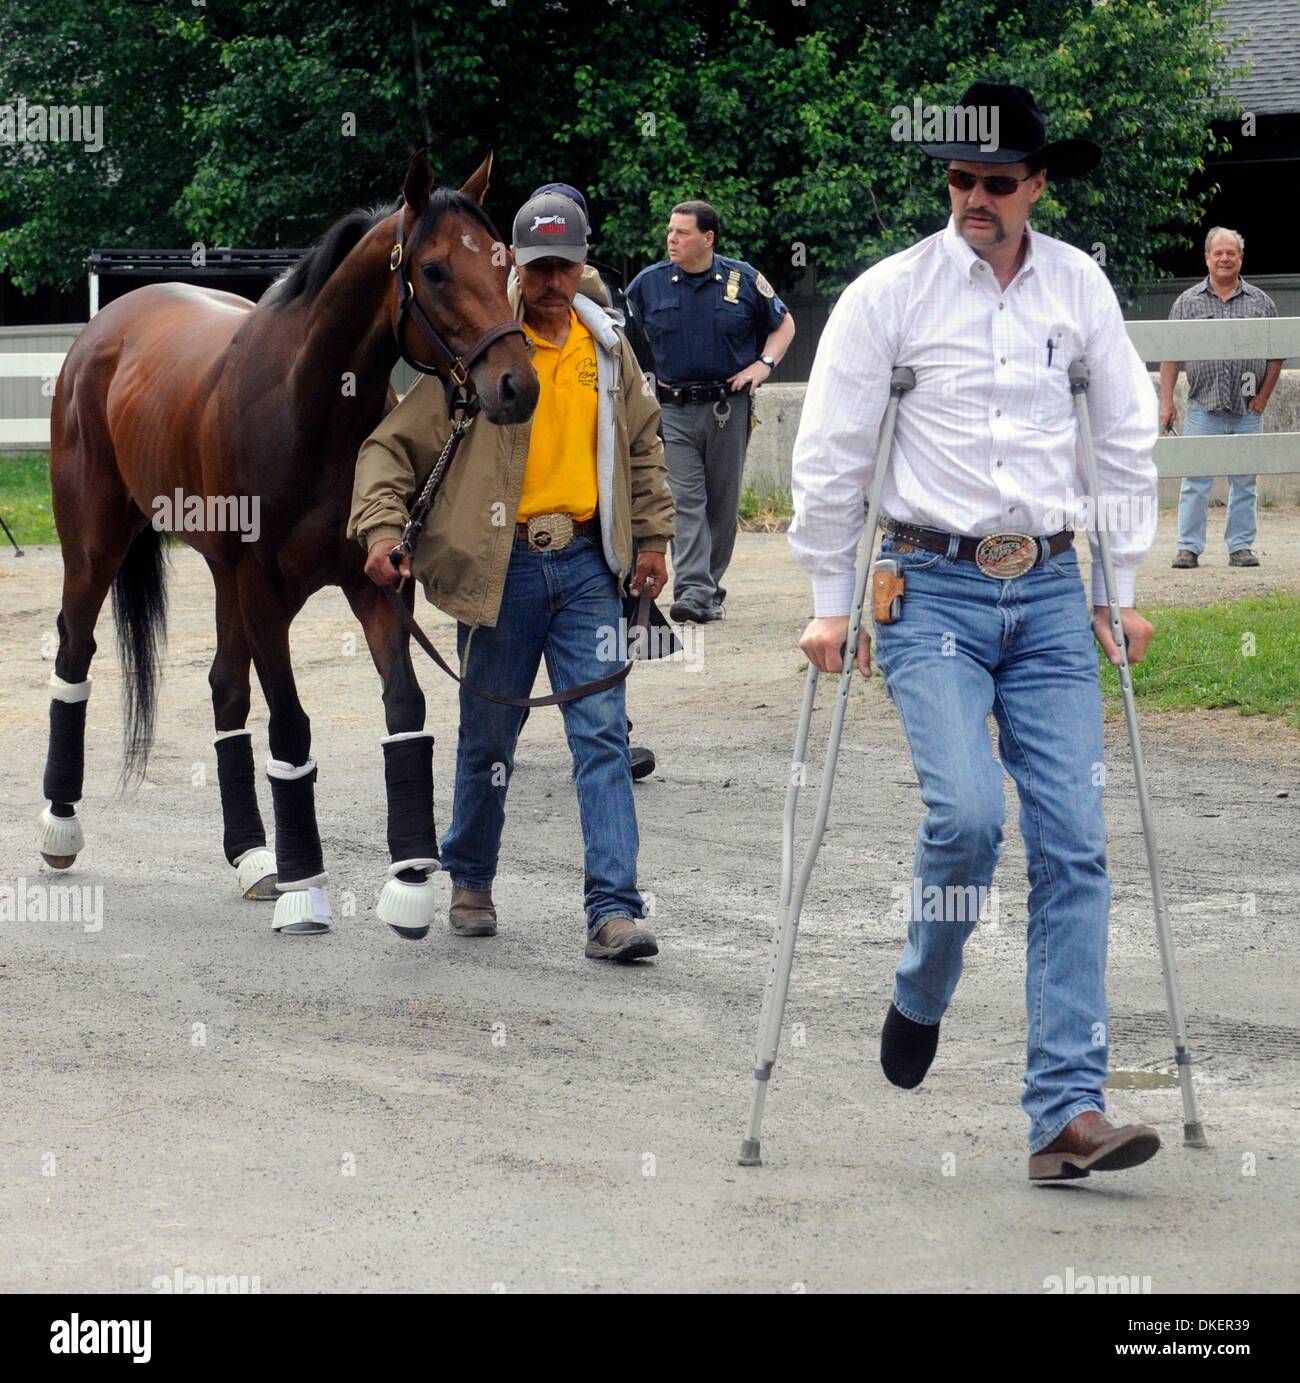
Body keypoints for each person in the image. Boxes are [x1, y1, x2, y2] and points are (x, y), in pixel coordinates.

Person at [789, 81, 1163, 1181]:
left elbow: (1122, 438)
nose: (977, 200)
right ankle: (922, 984)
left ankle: (1065, 1115)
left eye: (998, 183)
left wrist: (1120, 582)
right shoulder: (888, 298)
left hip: (1048, 589)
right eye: (961, 181)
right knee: (964, 818)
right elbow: (832, 452)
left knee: (1076, 846)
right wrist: (826, 598)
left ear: (1037, 185)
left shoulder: (1078, 289)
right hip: (929, 587)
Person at [350, 191, 674, 962]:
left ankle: (613, 911)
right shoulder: (481, 356)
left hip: (592, 566)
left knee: (599, 735)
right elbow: (386, 450)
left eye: (566, 265)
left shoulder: (608, 351)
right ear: (514, 269)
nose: (553, 280)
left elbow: (642, 444)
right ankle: (471, 877)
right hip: (506, 570)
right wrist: (382, 528)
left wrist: (655, 537)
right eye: (539, 267)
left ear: (584, 263)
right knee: (490, 735)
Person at [627, 202, 795, 623]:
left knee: (721, 505)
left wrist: (764, 365)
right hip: (674, 410)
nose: (672, 239)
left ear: (708, 239)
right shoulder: (649, 284)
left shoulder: (744, 279)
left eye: (682, 233)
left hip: (728, 408)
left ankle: (708, 586)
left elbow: (784, 324)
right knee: (685, 500)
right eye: (670, 231)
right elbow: (621, 335)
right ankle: (693, 591)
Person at [1161, 227, 1282, 569]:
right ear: (1207, 258)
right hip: (1203, 407)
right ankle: (1188, 548)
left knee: (1244, 481)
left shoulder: (1262, 302)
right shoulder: (1187, 302)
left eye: (1232, 253)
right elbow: (1170, 354)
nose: (1225, 258)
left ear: (1240, 258)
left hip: (1247, 410)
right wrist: (1166, 402)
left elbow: (1277, 356)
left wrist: (1263, 398)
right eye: (1219, 253)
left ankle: (1240, 547)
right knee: (1195, 481)